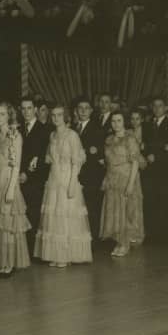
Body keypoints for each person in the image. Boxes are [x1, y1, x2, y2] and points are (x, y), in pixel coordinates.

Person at [34, 105, 93, 268]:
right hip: (53, 178)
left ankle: (66, 255)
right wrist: (48, 159)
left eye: (59, 115)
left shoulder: (72, 135)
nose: (55, 118)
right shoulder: (52, 135)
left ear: (65, 116)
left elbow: (77, 160)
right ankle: (56, 253)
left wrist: (73, 183)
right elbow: (48, 155)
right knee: (54, 216)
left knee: (67, 216)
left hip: (68, 178)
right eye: (53, 115)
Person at [0, 102, 31, 278]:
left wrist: (11, 189)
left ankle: (9, 263)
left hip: (8, 178)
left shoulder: (15, 135)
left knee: (8, 223)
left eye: (2, 114)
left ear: (9, 116)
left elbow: (16, 164)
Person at [99, 111, 144, 257]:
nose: (115, 124)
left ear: (124, 122)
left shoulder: (130, 139)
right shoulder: (109, 139)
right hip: (112, 178)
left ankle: (124, 243)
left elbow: (136, 162)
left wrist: (131, 184)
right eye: (113, 121)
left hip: (126, 177)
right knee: (114, 211)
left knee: (126, 211)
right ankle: (119, 241)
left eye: (119, 121)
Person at [142, 97, 168, 244]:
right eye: (155, 106)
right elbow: (145, 145)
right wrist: (147, 154)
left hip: (165, 168)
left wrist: (156, 154)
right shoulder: (147, 125)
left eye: (160, 106)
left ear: (166, 108)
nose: (157, 109)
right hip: (150, 169)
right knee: (151, 198)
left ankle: (166, 233)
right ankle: (153, 232)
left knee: (165, 198)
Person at [19, 97, 52, 249]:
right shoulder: (18, 129)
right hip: (19, 178)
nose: (26, 111)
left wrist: (28, 173)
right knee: (22, 214)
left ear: (35, 110)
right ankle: (24, 249)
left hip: (36, 179)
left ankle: (34, 250)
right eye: (23, 108)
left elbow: (43, 157)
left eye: (29, 108)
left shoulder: (45, 130)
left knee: (34, 214)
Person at [72, 97, 106, 242]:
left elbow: (99, 152)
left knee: (91, 207)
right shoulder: (72, 129)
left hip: (91, 174)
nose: (84, 111)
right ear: (76, 111)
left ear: (92, 111)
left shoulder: (98, 128)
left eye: (87, 108)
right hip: (74, 174)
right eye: (81, 108)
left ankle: (93, 241)